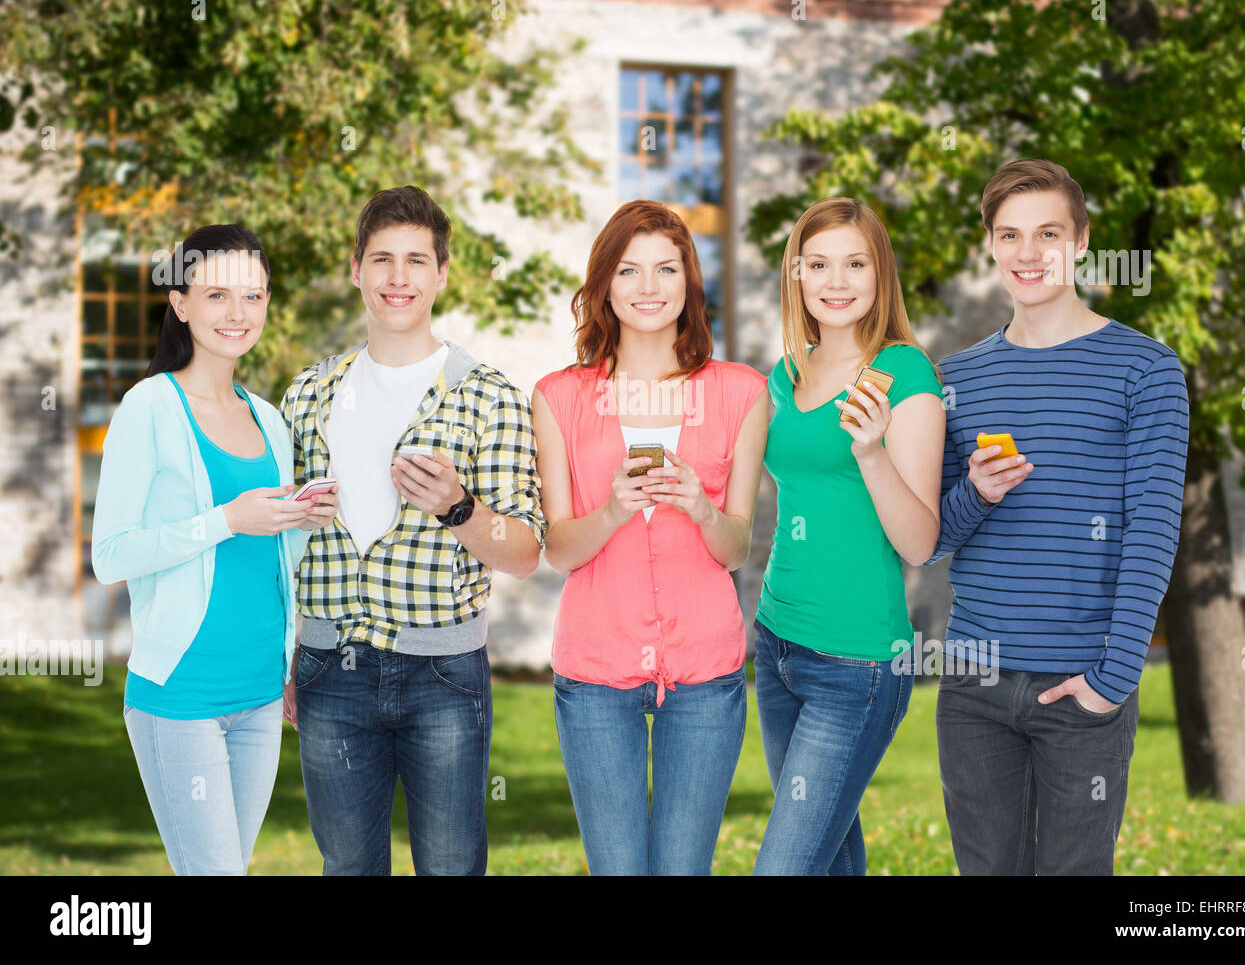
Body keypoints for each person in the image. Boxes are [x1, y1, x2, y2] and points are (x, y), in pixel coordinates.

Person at [927, 157, 1189, 875]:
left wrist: (1113, 678)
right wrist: (976, 493)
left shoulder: (1146, 369)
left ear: (1081, 241)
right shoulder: (957, 378)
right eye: (1009, 235)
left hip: (1081, 685)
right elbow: (930, 544)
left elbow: (1154, 528)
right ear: (990, 246)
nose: (1027, 254)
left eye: (1047, 233)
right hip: (974, 684)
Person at [280, 185, 546, 876]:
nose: (398, 278)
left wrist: (459, 508)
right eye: (382, 259)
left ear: (441, 274)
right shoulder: (307, 394)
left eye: (416, 261)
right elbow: (286, 544)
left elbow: (525, 553)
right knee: (348, 869)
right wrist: (287, 656)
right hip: (328, 668)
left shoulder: (488, 396)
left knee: (453, 868)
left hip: (444, 678)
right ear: (356, 269)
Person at [92, 224, 337, 875]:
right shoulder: (148, 407)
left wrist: (301, 519)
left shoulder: (269, 418)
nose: (238, 314)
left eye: (253, 297)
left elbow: (270, 555)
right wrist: (225, 519)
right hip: (181, 697)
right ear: (180, 303)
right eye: (218, 295)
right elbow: (110, 556)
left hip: (259, 692)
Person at [532, 200, 768, 874]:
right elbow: (556, 549)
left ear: (689, 282)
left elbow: (736, 548)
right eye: (630, 271)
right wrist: (610, 512)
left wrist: (700, 506)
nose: (649, 287)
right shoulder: (558, 397)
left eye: (667, 269)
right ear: (604, 284)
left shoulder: (742, 394)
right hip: (594, 669)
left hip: (706, 670)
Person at [753, 196, 945, 875]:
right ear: (797, 276)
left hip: (858, 663)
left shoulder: (904, 374)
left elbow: (920, 541)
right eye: (820, 264)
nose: (837, 281)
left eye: (855, 263)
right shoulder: (785, 374)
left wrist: (870, 451)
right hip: (776, 644)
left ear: (880, 273)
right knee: (829, 857)